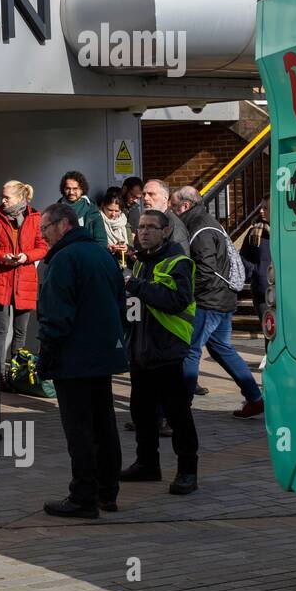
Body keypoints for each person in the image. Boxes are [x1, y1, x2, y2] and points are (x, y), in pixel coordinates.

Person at [36, 203, 127, 519]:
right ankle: (107, 492)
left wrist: (46, 356)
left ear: (62, 225)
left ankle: (84, 496)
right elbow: (120, 303)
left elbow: (56, 316)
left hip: (73, 357)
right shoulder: (102, 255)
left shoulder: (64, 259)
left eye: (45, 229)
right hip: (101, 355)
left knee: (80, 429)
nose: (43, 236)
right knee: (103, 423)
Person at [122, 210, 200, 495]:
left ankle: (187, 471)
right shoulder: (141, 262)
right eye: (141, 227)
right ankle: (147, 464)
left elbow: (175, 300)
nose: (144, 232)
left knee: (178, 414)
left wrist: (135, 285)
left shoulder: (178, 261)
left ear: (166, 231)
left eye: (151, 227)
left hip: (168, 349)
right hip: (142, 350)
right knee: (141, 413)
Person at [171, 186, 264, 418]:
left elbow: (205, 269)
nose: (171, 210)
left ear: (185, 205)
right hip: (222, 297)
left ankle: (179, 408)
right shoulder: (206, 221)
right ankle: (255, 397)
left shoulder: (199, 228)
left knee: (190, 350)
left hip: (208, 300)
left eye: (173, 206)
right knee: (222, 349)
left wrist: (190, 296)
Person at [0, 181, 47, 376]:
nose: (2, 201)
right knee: (0, 331)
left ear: (20, 198)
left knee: (21, 332)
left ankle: (15, 375)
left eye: (7, 197)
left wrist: (26, 256)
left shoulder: (35, 217)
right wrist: (1, 256)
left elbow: (43, 246)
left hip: (24, 280)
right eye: (2, 197)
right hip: (0, 279)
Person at [240, 200, 271, 370]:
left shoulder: (287, 232)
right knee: (269, 329)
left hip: (286, 290)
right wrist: (254, 272)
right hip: (262, 289)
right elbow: (243, 257)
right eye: (261, 207)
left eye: (265, 208)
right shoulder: (255, 232)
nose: (261, 211)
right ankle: (271, 363)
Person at [58, 171, 107, 245]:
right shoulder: (56, 210)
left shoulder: (92, 209)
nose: (71, 192)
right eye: (68, 188)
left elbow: (101, 240)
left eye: (75, 189)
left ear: (82, 189)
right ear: (63, 189)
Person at [142, 179, 191, 252]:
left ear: (165, 198)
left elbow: (180, 259)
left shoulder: (174, 226)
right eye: (144, 194)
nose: (145, 198)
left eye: (151, 194)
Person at [99, 187, 135, 271]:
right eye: (110, 210)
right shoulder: (96, 222)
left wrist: (126, 248)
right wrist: (107, 247)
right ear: (103, 206)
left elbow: (131, 248)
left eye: (117, 211)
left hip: (123, 267)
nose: (113, 214)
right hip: (104, 266)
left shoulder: (124, 223)